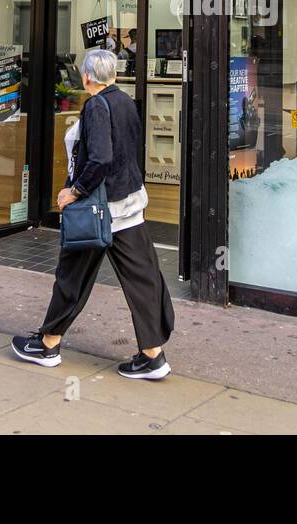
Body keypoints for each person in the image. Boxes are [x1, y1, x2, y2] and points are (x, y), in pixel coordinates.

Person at [12, 49, 175, 379]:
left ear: (86, 77)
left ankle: (47, 345)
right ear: (113, 74)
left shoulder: (96, 107)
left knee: (71, 277)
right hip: (129, 205)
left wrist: (73, 192)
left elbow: (99, 159)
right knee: (143, 278)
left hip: (99, 210)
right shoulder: (126, 102)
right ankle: (152, 355)